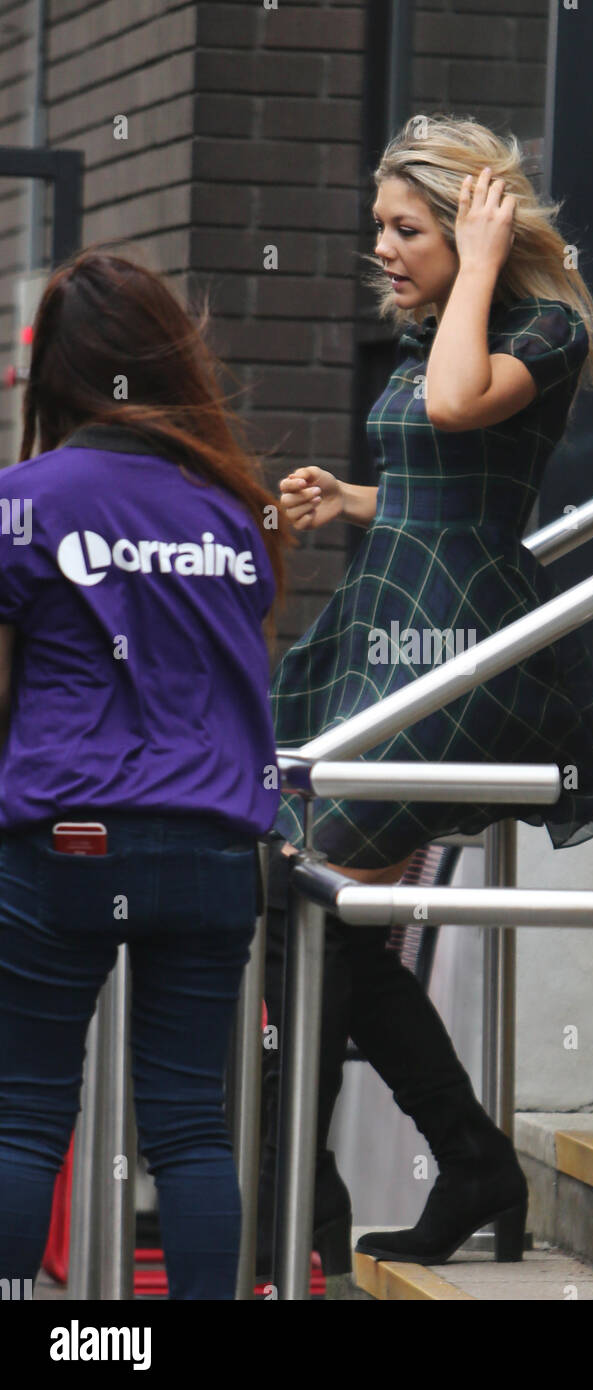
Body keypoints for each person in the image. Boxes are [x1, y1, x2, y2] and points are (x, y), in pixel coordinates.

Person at [258, 114, 593, 1274]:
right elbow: (432, 466)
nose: (384, 251)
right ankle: (455, 1167)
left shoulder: (543, 328)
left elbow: (460, 412)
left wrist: (487, 265)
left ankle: (305, 1218)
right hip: (386, 620)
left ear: (474, 222)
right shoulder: (436, 330)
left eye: (408, 228)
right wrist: (349, 500)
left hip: (456, 643)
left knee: (315, 909)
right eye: (379, 229)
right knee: (307, 909)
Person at [0, 248, 290, 1300]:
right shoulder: (230, 511)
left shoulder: (23, 503)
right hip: (212, 844)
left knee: (26, 1111)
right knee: (187, 1126)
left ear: (59, 373)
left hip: (66, 837)